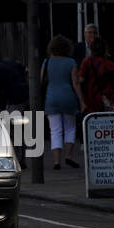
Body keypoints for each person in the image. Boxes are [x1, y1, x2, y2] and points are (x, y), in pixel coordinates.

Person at [42, 35, 84, 170]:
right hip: (68, 98)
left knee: (55, 130)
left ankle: (56, 161)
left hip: (52, 98)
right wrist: (82, 101)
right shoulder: (71, 62)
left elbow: (41, 80)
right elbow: (76, 83)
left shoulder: (46, 62)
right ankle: (69, 156)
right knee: (70, 128)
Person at [77, 38, 114, 112]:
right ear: (105, 49)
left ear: (91, 49)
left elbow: (81, 79)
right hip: (107, 99)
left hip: (90, 100)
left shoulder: (87, 62)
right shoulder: (111, 65)